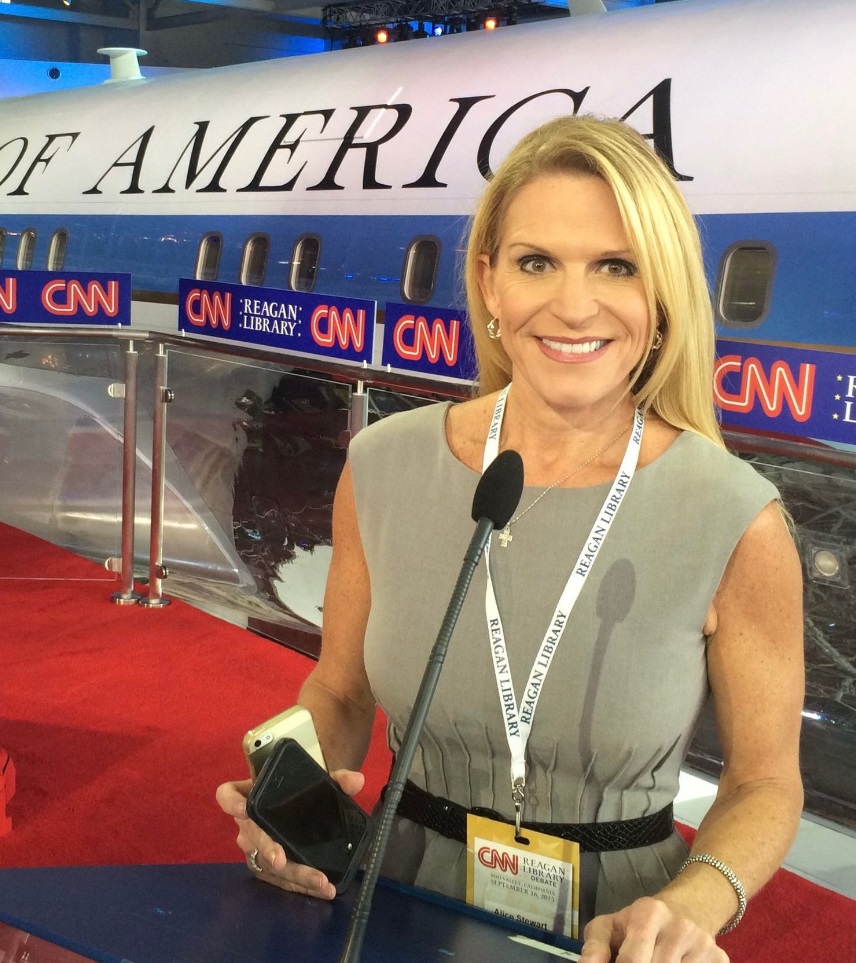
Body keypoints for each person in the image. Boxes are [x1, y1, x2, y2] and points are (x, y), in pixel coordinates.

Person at [217, 114, 804, 963]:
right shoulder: (383, 465)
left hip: (615, 928)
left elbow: (763, 781)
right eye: (537, 263)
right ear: (491, 283)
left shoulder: (736, 516)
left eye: (616, 265)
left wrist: (691, 906)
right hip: (392, 891)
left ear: (663, 291)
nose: (573, 304)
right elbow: (341, 694)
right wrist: (293, 799)